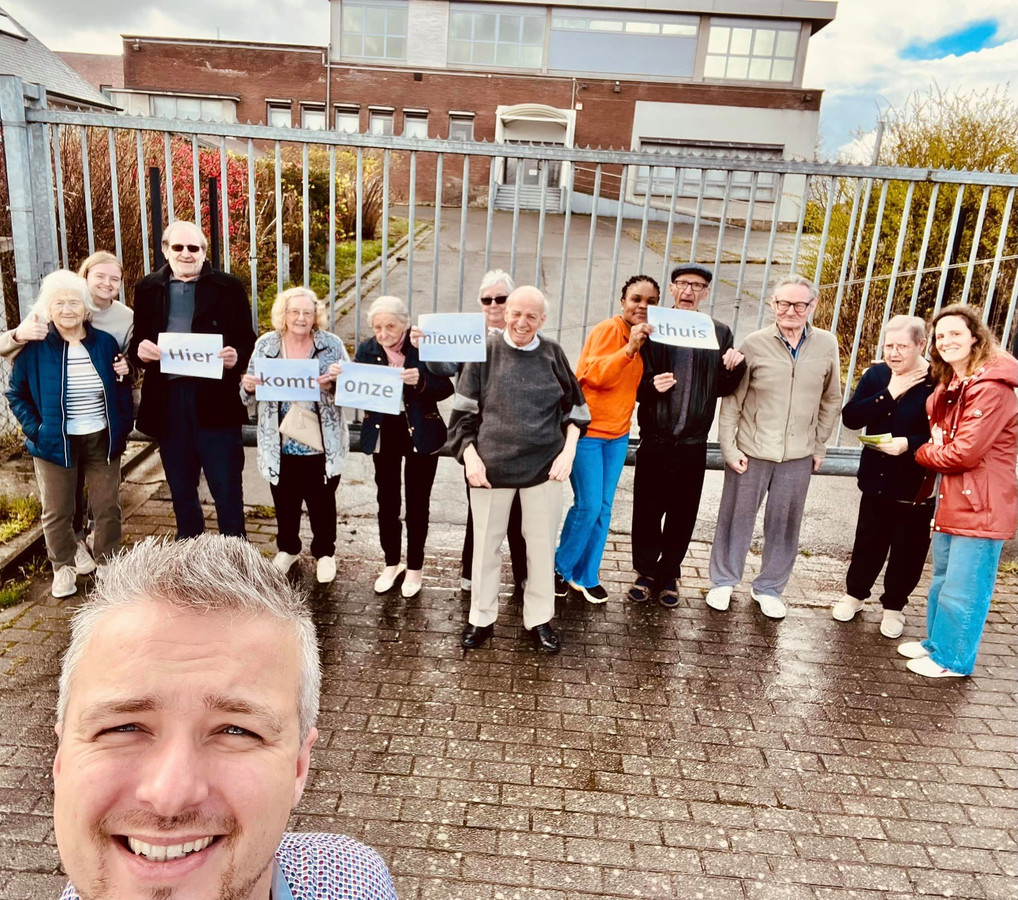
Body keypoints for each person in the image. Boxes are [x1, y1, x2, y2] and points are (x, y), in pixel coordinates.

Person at [53, 534, 398, 900]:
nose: (170, 795)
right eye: (122, 727)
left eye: (237, 731)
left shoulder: (357, 881)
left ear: (299, 766)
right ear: (61, 760)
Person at [447, 286, 590, 653]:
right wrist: (470, 457)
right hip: (490, 469)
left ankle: (539, 619)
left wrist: (568, 453)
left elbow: (578, 411)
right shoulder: (485, 353)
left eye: (531, 316)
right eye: (516, 313)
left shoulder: (552, 353)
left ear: (542, 320)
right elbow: (462, 416)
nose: (521, 322)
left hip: (544, 467)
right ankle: (481, 619)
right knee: (485, 548)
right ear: (505, 313)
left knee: (541, 549)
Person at [707, 274, 841, 619]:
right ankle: (723, 581)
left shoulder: (827, 344)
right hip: (751, 450)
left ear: (812, 306)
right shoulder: (753, 343)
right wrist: (729, 447)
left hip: (798, 454)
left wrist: (819, 444)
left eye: (799, 304)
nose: (790, 310)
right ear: (773, 305)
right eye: (783, 303)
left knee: (784, 523)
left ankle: (769, 588)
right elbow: (733, 402)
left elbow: (831, 398)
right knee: (736, 516)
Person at [899, 305, 1018, 678]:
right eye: (940, 335)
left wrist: (919, 452)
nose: (946, 341)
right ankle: (937, 644)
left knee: (965, 589)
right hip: (957, 497)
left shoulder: (992, 389)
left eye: (955, 333)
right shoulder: (958, 383)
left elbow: (963, 452)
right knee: (944, 580)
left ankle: (954, 661)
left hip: (981, 502)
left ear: (975, 338)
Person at [1, 251, 134, 575]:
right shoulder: (40, 332)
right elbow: (15, 390)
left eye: (114, 279)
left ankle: (105, 558)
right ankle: (65, 561)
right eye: (59, 304)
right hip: (55, 436)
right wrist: (37, 429)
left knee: (105, 506)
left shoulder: (111, 333)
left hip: (99, 433)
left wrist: (124, 417)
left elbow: (122, 382)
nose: (67, 309)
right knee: (59, 507)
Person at [129, 221, 256, 539]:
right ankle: (189, 549)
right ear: (165, 250)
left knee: (226, 486)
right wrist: (140, 351)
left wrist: (235, 356)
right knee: (180, 485)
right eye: (178, 247)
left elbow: (247, 340)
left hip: (215, 399)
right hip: (168, 401)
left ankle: (234, 553)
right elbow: (138, 344)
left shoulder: (229, 287)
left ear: (204, 251)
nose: (186, 254)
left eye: (194, 248)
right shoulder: (147, 288)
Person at [629, 263, 746, 608]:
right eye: (682, 284)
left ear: (706, 292)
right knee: (647, 509)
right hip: (656, 437)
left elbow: (722, 387)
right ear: (672, 287)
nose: (688, 291)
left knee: (683, 512)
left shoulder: (719, 332)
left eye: (697, 286)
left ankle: (669, 575)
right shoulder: (653, 328)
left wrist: (736, 368)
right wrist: (651, 386)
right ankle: (645, 572)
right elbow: (635, 383)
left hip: (693, 442)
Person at [417, 269, 528, 594]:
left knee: (518, 513)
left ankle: (523, 575)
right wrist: (428, 348)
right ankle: (472, 573)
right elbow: (443, 368)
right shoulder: (467, 335)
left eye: (501, 298)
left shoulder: (521, 334)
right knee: (479, 510)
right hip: (477, 441)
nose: (493, 305)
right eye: (487, 299)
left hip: (517, 442)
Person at [554, 274, 658, 605]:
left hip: (618, 435)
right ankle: (559, 568)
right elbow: (592, 375)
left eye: (651, 301)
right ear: (622, 301)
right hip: (587, 433)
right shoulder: (608, 331)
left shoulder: (648, 338)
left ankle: (586, 575)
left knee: (603, 508)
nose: (642, 306)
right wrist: (629, 348)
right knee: (587, 505)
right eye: (636, 299)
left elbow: (636, 386)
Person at [834, 315, 936, 638]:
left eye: (901, 346)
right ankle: (855, 596)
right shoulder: (878, 375)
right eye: (888, 345)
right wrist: (889, 393)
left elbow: (947, 434)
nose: (893, 352)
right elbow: (851, 417)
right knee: (868, 542)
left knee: (908, 549)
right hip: (876, 482)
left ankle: (894, 607)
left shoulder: (938, 380)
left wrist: (908, 444)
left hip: (915, 485)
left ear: (921, 344)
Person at [242, 287, 349, 584]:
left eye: (307, 312)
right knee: (285, 500)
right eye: (294, 312)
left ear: (316, 316)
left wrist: (336, 384)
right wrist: (249, 387)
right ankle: (288, 548)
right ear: (283, 315)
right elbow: (246, 395)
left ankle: (325, 552)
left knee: (322, 502)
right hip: (279, 442)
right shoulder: (266, 344)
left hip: (321, 442)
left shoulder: (331, 344)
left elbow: (352, 392)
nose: (301, 318)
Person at [356, 295, 454, 598]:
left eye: (391, 326)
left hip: (420, 431)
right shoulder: (367, 349)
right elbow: (357, 388)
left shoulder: (420, 346)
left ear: (405, 323)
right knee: (387, 501)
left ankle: (415, 567)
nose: (384, 333)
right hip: (384, 431)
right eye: (378, 327)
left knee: (417, 503)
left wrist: (420, 380)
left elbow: (446, 386)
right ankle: (391, 562)